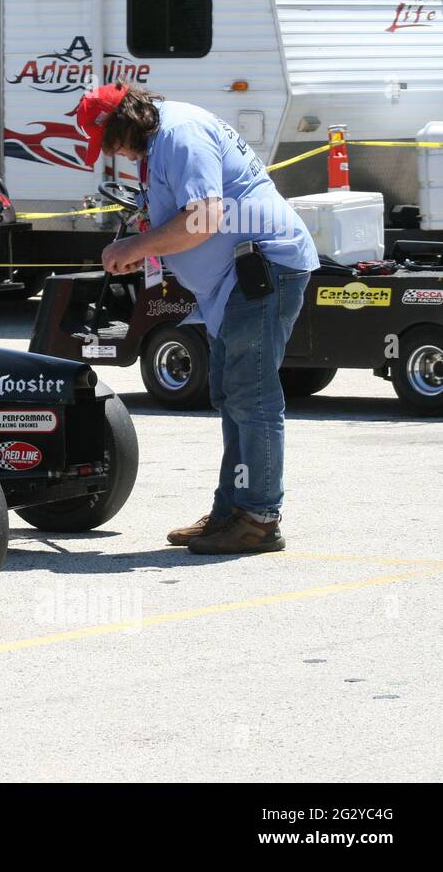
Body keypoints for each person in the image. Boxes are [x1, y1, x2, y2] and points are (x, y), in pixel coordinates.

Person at [78, 82, 319, 555]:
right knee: (232, 394)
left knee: (251, 396)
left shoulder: (180, 134)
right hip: (242, 276)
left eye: (113, 143)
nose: (118, 155)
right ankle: (233, 509)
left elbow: (202, 220)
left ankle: (258, 517)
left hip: (261, 269)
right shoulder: (163, 138)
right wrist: (147, 240)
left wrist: (135, 247)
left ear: (124, 121)